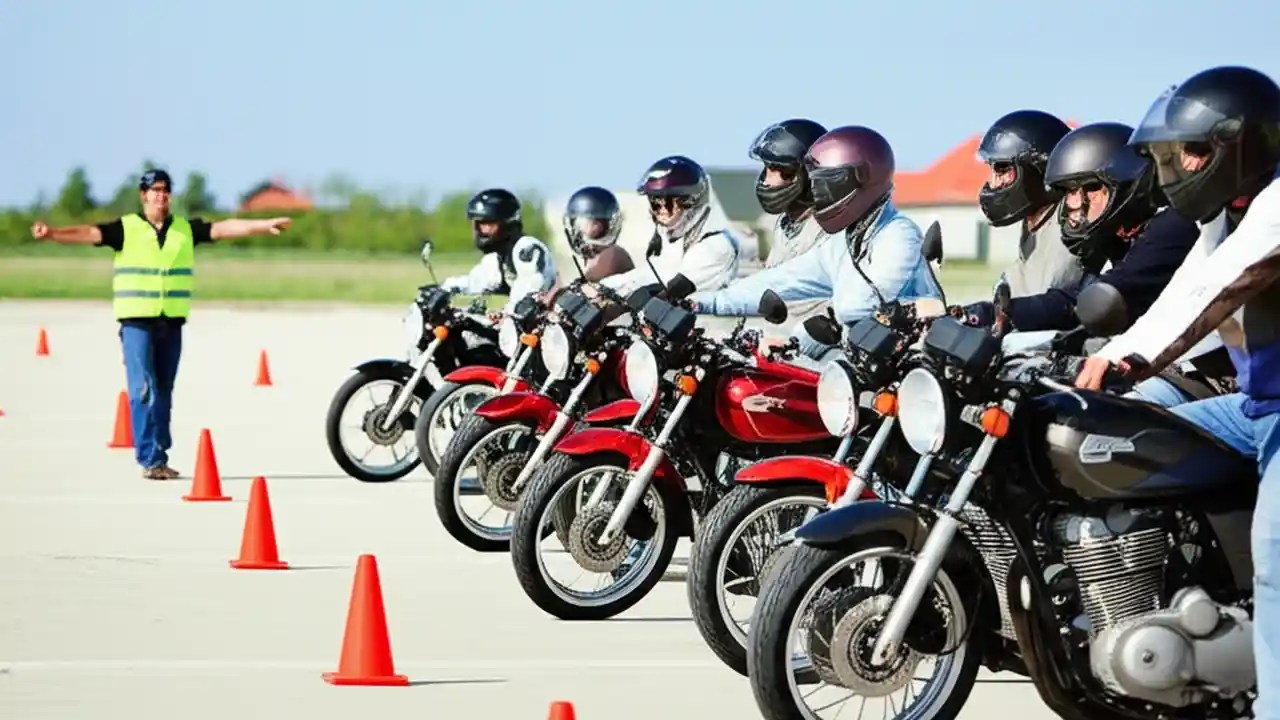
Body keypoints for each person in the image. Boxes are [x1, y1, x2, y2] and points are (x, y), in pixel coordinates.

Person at [1071, 65, 1280, 718]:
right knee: (1122, 438)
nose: (1177, 169)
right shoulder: (1226, 216)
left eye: (1189, 151)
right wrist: (1104, 362)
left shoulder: (1275, 206)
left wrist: (1131, 358)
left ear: (1240, 145)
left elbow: (1216, 291)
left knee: (1275, 558)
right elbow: (1180, 292)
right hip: (1254, 407)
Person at [29, 168, 292, 479]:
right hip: (137, 322)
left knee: (164, 391)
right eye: (155, 189)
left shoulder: (184, 229)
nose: (161, 195)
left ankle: (160, 449)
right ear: (143, 195)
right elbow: (88, 233)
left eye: (165, 189)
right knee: (143, 389)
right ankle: (150, 459)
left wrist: (263, 225)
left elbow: (223, 228)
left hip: (171, 323)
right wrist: (53, 233)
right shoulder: (126, 229)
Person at [689, 125, 943, 359]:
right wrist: (701, 301)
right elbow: (781, 281)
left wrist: (801, 337)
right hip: (858, 358)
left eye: (825, 183)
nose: (818, 193)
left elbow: (857, 306)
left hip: (898, 367)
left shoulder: (896, 234)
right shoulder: (840, 239)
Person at [596, 155, 742, 298]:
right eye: (655, 201)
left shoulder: (715, 246)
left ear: (690, 201)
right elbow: (650, 274)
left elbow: (671, 286)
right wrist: (602, 286)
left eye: (669, 201)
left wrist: (615, 293)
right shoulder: (676, 239)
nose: (662, 210)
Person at [977, 109, 1085, 301]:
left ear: (1039, 169)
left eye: (1003, 169)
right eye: (992, 169)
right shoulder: (1036, 221)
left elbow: (1049, 304)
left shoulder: (1069, 228)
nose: (994, 183)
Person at [747, 118, 832, 322]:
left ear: (809, 175)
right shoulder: (786, 224)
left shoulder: (827, 230)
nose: (767, 181)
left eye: (782, 171)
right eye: (767, 169)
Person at [441, 188, 558, 313]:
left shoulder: (526, 249)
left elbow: (527, 293)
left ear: (507, 223)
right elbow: (474, 282)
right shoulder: (497, 258)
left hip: (552, 319)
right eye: (477, 224)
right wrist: (441, 290)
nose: (480, 231)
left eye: (487, 224)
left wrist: (505, 313)